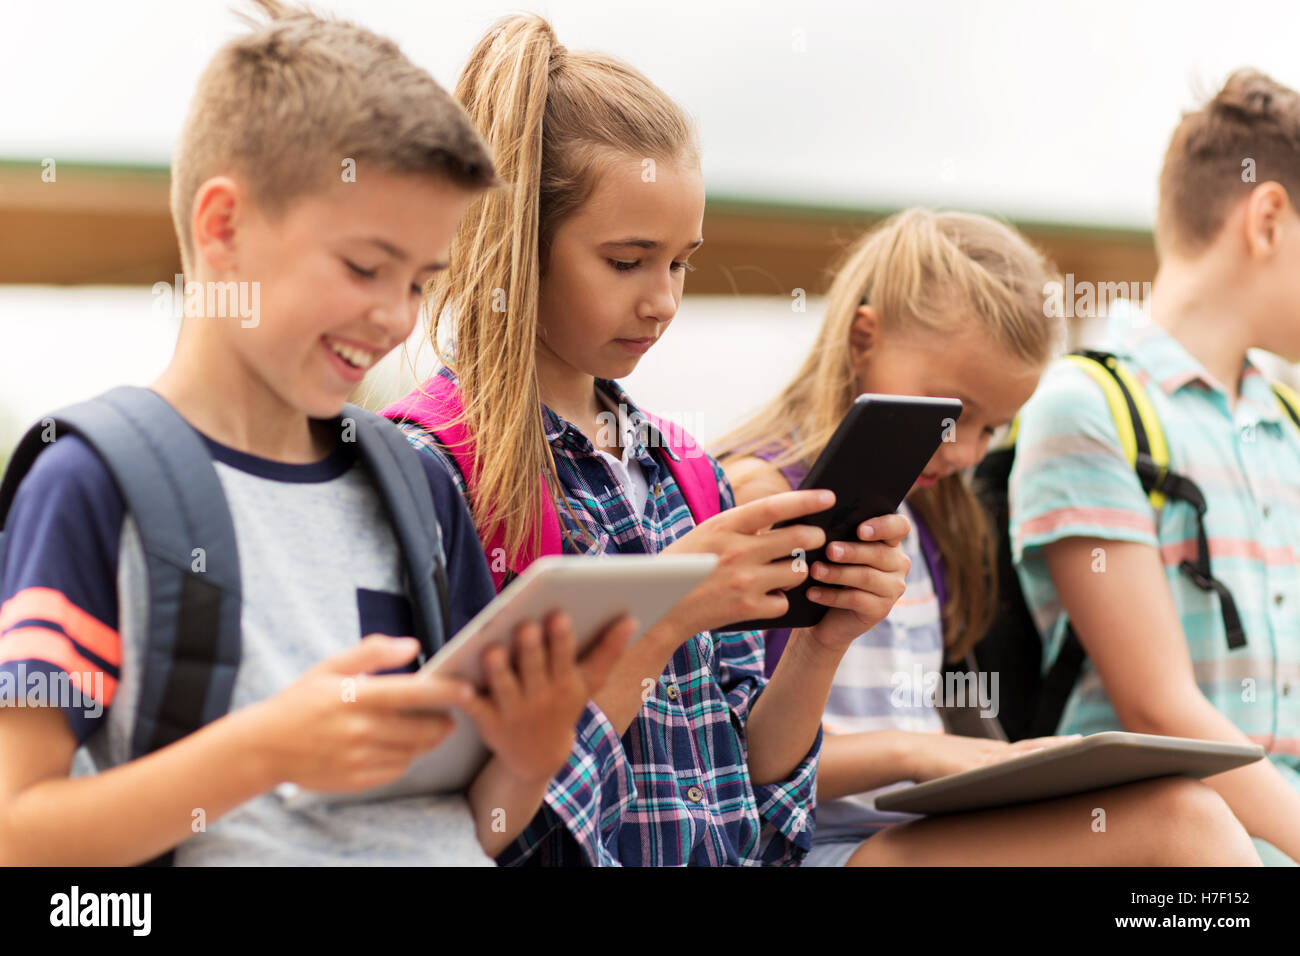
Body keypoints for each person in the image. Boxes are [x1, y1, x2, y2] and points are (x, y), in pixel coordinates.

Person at [0, 0, 632, 866]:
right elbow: (18, 830)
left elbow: (472, 831)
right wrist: (267, 750)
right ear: (223, 228)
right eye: (366, 267)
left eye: (420, 282)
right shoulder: (90, 483)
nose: (396, 318)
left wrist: (529, 757)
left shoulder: (417, 486)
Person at [385, 14, 911, 866]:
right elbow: (480, 833)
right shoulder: (431, 468)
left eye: (680, 263)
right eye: (627, 262)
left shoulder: (691, 472)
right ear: (517, 244)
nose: (663, 300)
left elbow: (754, 801)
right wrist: (661, 622)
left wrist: (822, 642)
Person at [719, 208, 1261, 865]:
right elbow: (725, 757)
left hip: (905, 832)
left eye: (992, 429)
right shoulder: (760, 498)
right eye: (954, 413)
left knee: (1176, 811)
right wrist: (921, 753)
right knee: (1180, 821)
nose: (967, 452)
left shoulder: (928, 523)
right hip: (808, 846)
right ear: (864, 339)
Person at [1008, 69, 1300, 866]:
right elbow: (1158, 705)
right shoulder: (1089, 407)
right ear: (1268, 219)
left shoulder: (1287, 422)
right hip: (1165, 858)